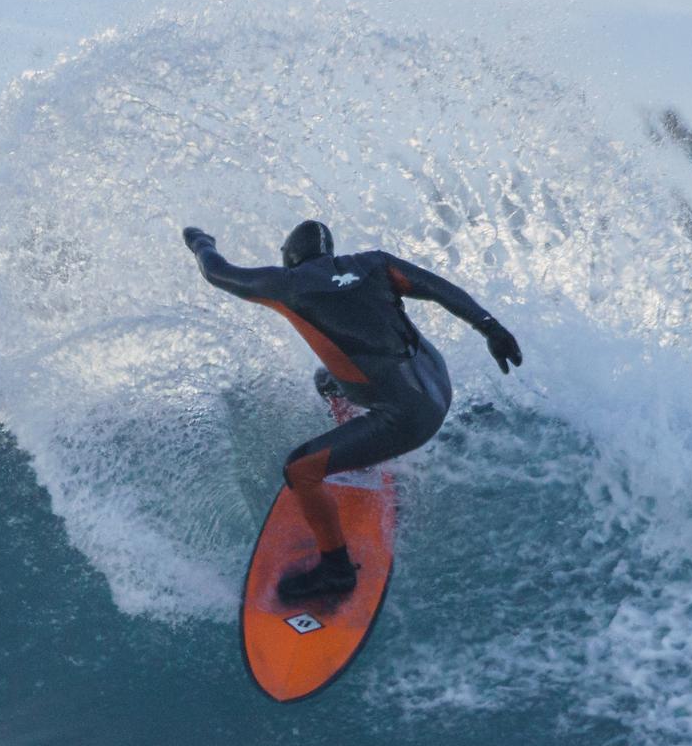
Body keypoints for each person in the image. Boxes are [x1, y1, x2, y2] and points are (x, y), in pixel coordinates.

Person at [182, 218, 523, 602]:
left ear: (290, 258)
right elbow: (439, 289)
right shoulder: (373, 264)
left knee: (300, 469)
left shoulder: (287, 285)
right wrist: (490, 328)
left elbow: (217, 272)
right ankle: (361, 458)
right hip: (437, 383)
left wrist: (200, 240)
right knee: (327, 381)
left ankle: (337, 571)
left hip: (409, 418)